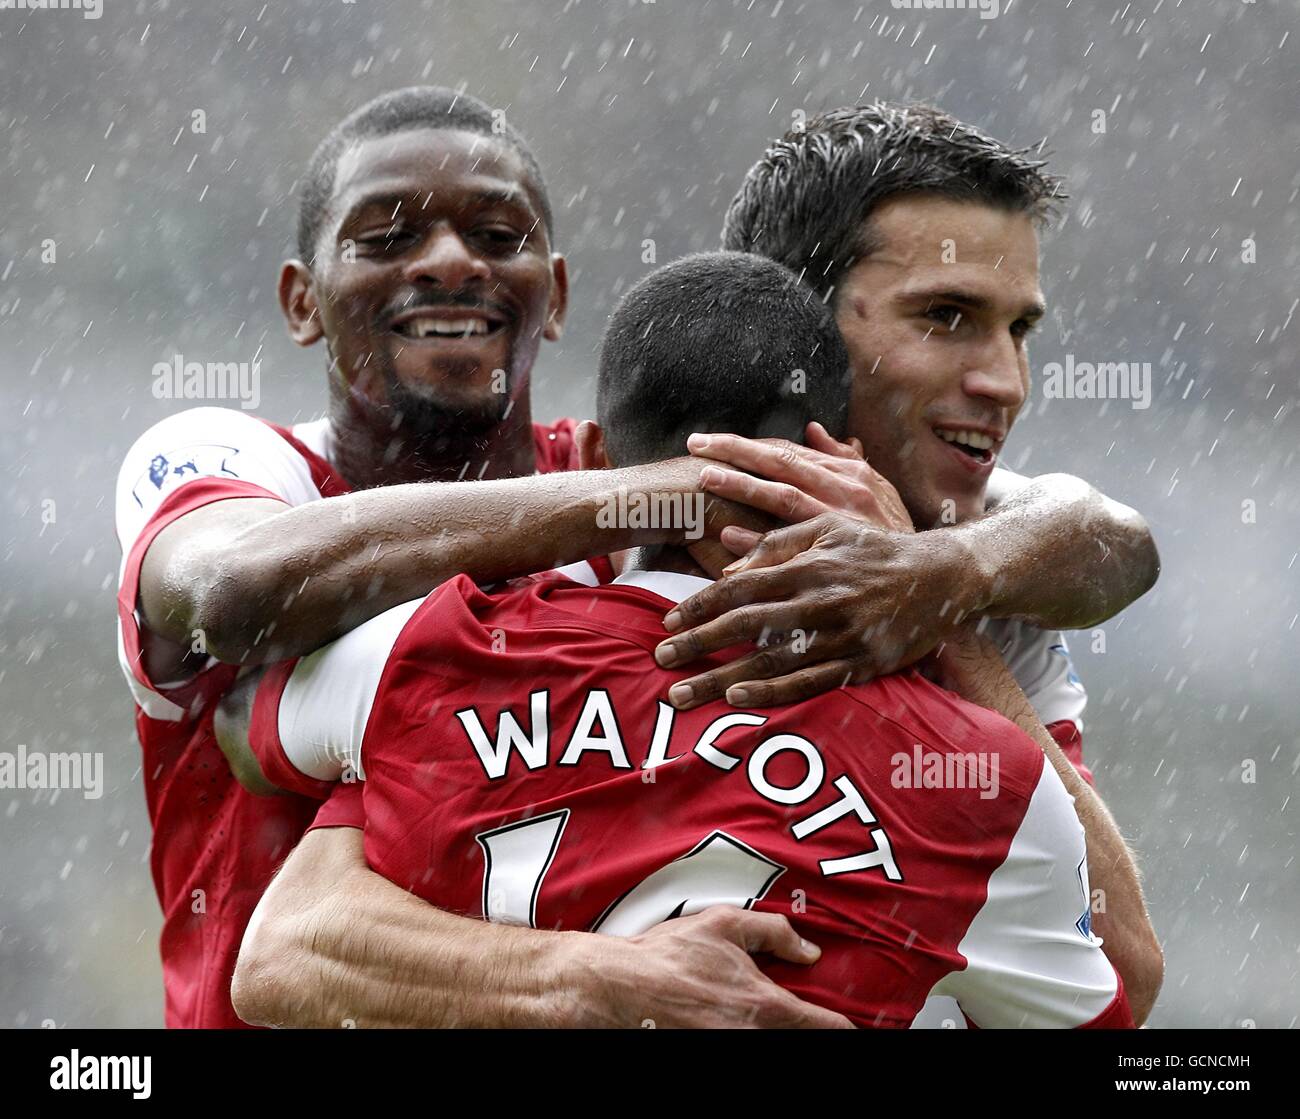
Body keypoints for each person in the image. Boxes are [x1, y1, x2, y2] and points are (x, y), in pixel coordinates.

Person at [115, 89, 1157, 1028]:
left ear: (556, 293)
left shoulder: (932, 545)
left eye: (492, 232)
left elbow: (1106, 538)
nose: (1005, 381)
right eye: (946, 317)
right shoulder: (290, 487)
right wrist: (595, 979)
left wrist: (938, 587)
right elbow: (232, 596)